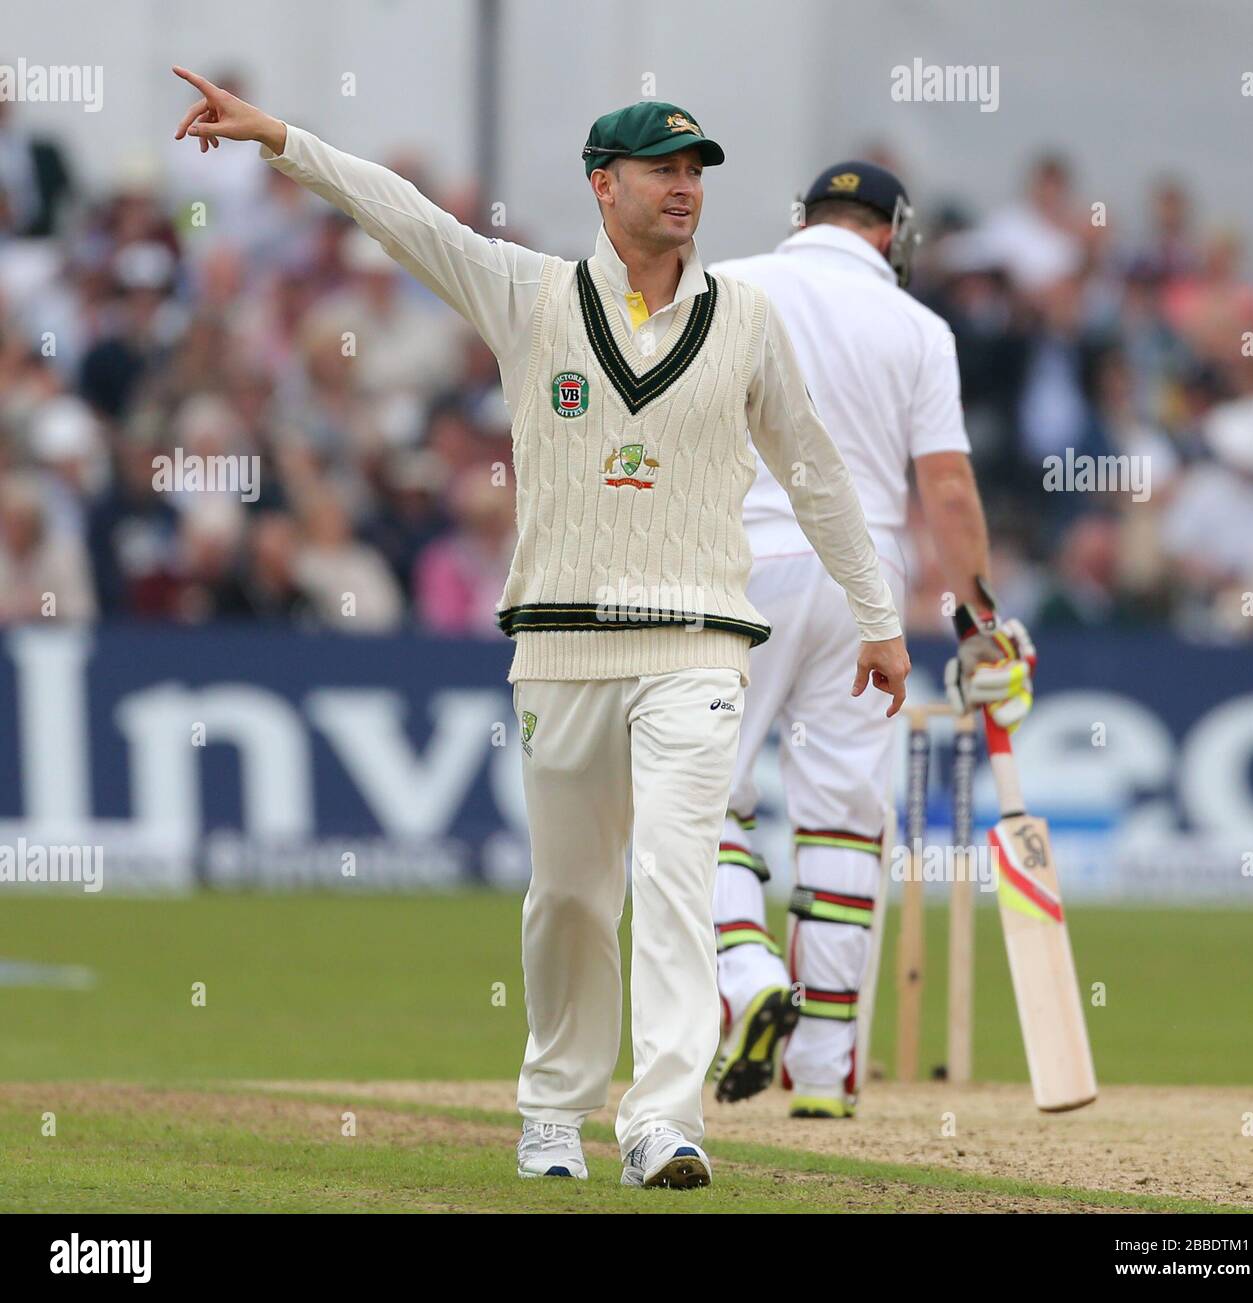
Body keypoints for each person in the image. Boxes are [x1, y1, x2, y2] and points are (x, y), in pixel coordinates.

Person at [172, 70, 910, 1188]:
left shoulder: (746, 318)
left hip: (700, 642)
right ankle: (555, 1106)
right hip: (561, 647)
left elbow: (812, 469)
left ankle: (664, 1118)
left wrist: (878, 614)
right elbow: (405, 216)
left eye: (695, 172)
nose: (683, 189)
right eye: (660, 170)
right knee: (570, 893)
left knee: (674, 873)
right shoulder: (528, 296)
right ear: (600, 184)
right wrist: (283, 138)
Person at [708, 161, 1037, 1118]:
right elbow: (947, 488)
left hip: (739, 564)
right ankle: (822, 1071)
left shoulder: (731, 284)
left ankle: (744, 975)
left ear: (802, 217)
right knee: (844, 817)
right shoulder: (919, 328)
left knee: (701, 794)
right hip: (869, 591)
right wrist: (980, 623)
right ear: (892, 234)